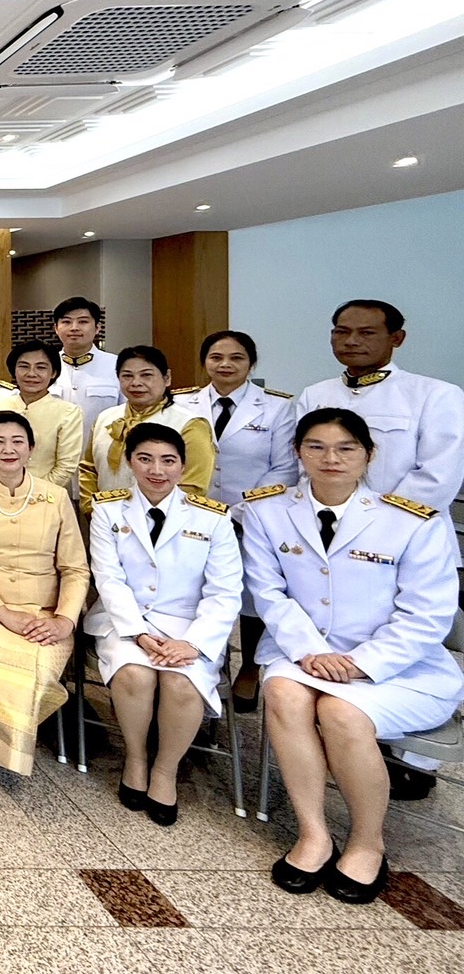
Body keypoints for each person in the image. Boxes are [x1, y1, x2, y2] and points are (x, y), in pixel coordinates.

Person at [245, 407, 464, 904]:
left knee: (341, 712)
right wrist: (312, 651)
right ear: (299, 453)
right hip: (302, 650)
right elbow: (269, 592)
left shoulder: (410, 522)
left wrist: (363, 663)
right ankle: (314, 834)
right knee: (283, 694)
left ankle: (367, 842)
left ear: (368, 455)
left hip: (401, 667)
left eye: (346, 448)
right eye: (316, 447)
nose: (331, 459)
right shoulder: (267, 510)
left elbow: (428, 615)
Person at [85, 424, 242, 826]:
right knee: (135, 674)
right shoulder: (107, 510)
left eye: (168, 460)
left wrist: (195, 643)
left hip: (189, 627)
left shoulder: (214, 519)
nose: (157, 470)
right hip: (125, 622)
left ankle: (166, 770)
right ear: (130, 462)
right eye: (145, 459)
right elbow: (108, 577)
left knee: (180, 681)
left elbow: (225, 592)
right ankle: (136, 759)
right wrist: (137, 630)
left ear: (183, 465)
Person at [0, 411, 90, 776]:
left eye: (17, 442)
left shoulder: (55, 497)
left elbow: (75, 568)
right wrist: (1, 611)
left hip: (44, 607)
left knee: (38, 665)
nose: (8, 449)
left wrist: (65, 620)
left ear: (31, 448)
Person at [176, 330, 294, 711]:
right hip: (191, 516)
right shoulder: (181, 403)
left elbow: (284, 469)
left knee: (253, 596)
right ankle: (210, 660)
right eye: (216, 357)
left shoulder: (278, 408)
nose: (225, 364)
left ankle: (249, 670)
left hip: (252, 518)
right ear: (204, 361)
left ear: (251, 363)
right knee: (198, 590)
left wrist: (239, 511)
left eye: (236, 358)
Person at [291, 300, 464, 526]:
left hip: (403, 529)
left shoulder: (435, 394)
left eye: (366, 333)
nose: (351, 341)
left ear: (397, 338)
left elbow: (437, 477)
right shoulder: (315, 394)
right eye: (342, 332)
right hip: (323, 525)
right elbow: (304, 469)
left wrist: (375, 523)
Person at [80, 346, 216, 514]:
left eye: (146, 375)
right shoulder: (105, 418)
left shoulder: (190, 424)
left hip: (164, 524)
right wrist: (91, 509)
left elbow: (193, 486)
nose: (136, 383)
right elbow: (89, 469)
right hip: (105, 521)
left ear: (167, 378)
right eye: (127, 376)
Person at [0, 340, 84, 489]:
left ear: (53, 373)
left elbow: (66, 466)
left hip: (48, 497)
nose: (31, 374)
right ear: (14, 370)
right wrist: (0, 489)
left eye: (41, 367)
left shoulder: (68, 412)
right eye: (24, 366)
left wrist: (31, 493)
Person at [47, 296, 122, 444]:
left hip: (102, 455)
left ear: (97, 328)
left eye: (83, 321)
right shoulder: (44, 366)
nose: (74, 328)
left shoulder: (118, 366)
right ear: (56, 328)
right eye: (66, 322)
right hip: (54, 457)